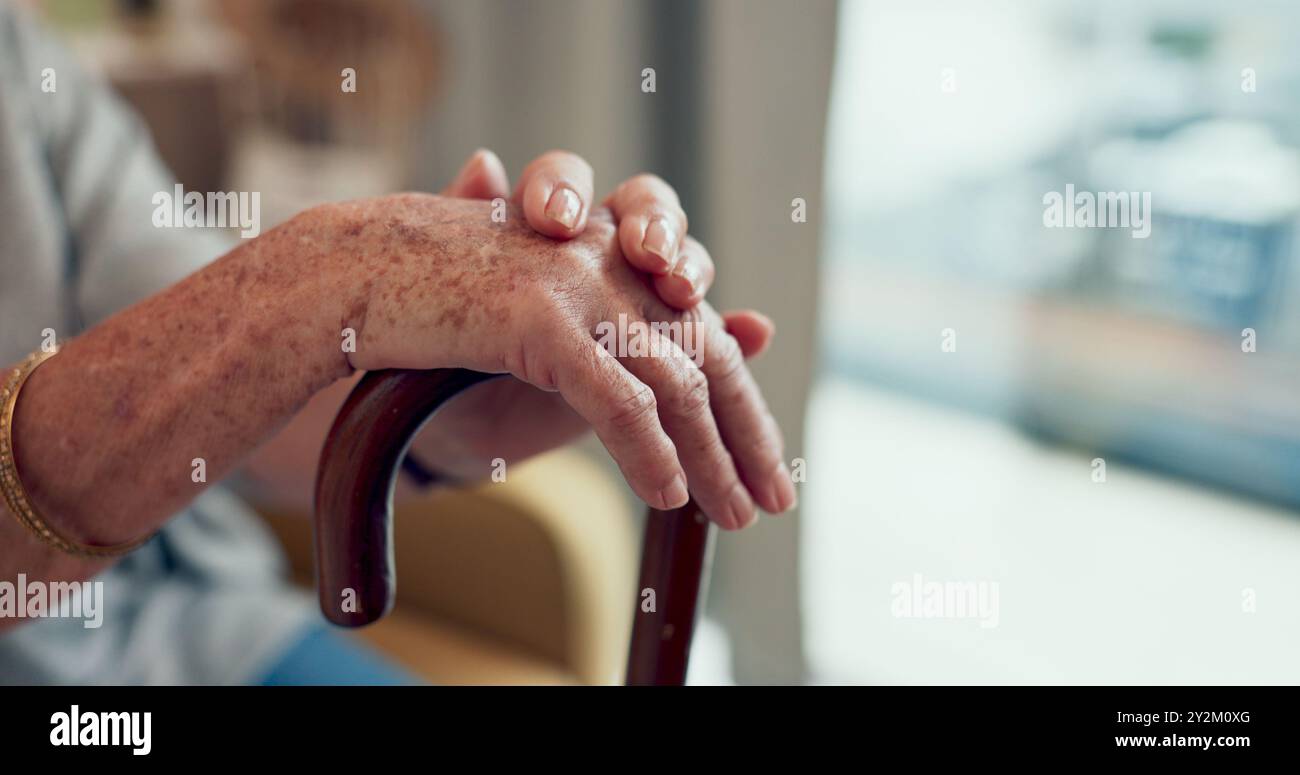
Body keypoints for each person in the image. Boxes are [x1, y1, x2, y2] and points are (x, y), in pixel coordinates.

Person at [0, 1, 793, 684]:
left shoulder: (21, 60)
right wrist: (315, 279)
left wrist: (437, 409)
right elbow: (244, 337)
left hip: (203, 635)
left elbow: (208, 389)